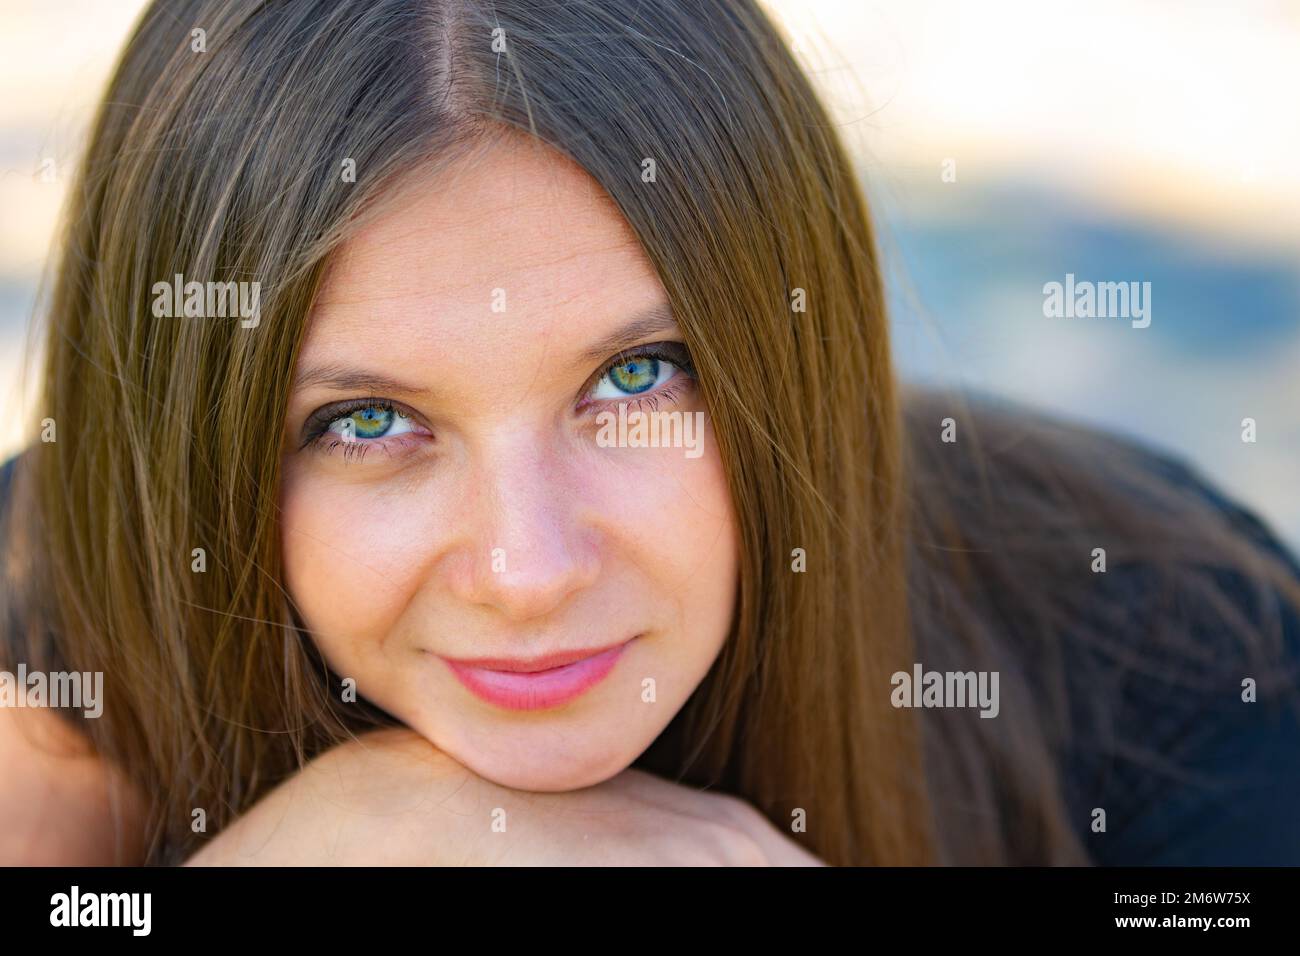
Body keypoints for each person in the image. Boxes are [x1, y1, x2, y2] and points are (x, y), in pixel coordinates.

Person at [1, 0, 1297, 866]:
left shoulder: (1176, 653)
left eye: (637, 380)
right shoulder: (42, 645)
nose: (531, 569)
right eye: (369, 420)